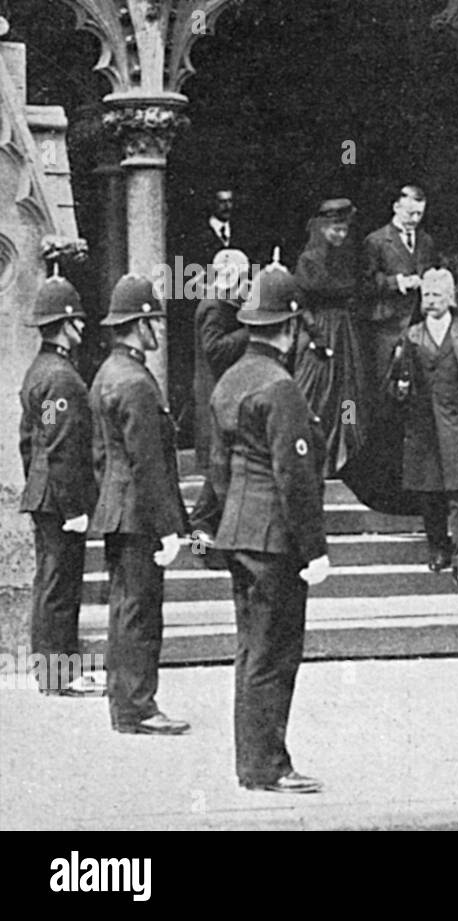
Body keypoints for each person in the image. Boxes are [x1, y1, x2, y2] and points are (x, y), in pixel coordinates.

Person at [196, 263, 330, 792]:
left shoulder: (231, 380)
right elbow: (293, 477)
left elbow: (218, 466)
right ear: (291, 326)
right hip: (275, 542)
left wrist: (220, 521)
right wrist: (314, 549)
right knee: (274, 654)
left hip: (240, 534)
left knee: (251, 650)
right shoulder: (281, 387)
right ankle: (267, 765)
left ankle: (254, 761)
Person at [89, 274, 190, 735]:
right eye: (154, 322)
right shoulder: (136, 382)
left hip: (119, 507)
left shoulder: (109, 373)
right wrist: (171, 527)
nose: (158, 332)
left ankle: (127, 703)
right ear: (141, 323)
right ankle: (137, 707)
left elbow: (101, 456)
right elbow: (149, 463)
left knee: (125, 608)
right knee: (140, 612)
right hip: (139, 514)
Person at [18, 273, 102, 696]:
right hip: (60, 498)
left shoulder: (39, 372)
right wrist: (73, 507)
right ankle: (58, 674)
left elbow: (30, 440)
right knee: (60, 587)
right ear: (67, 324)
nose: (83, 328)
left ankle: (55, 670)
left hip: (43, 491)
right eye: (79, 322)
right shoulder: (63, 378)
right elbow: (62, 445)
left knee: (51, 583)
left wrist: (38, 483)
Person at [389, 268, 458, 588]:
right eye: (426, 296)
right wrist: (401, 389)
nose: (430, 302)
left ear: (449, 298)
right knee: (429, 492)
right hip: (422, 425)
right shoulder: (412, 336)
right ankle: (438, 548)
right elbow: (395, 382)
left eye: (436, 295)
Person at [293, 199, 368, 476]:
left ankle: (344, 457)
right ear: (322, 228)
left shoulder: (346, 256)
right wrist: (316, 335)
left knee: (347, 393)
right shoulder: (309, 260)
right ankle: (314, 457)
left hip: (345, 332)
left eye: (344, 230)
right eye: (334, 229)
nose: (339, 235)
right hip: (320, 330)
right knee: (317, 393)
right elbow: (300, 303)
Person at [363, 185, 439, 391]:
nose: (415, 219)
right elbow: (364, 283)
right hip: (388, 326)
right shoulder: (376, 241)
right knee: (386, 388)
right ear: (396, 207)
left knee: (421, 388)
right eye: (410, 213)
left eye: (419, 214)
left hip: (420, 324)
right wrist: (397, 283)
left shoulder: (426, 241)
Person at [192, 249, 251, 473]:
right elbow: (214, 350)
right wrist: (247, 333)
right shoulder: (214, 306)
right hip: (213, 387)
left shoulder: (220, 302)